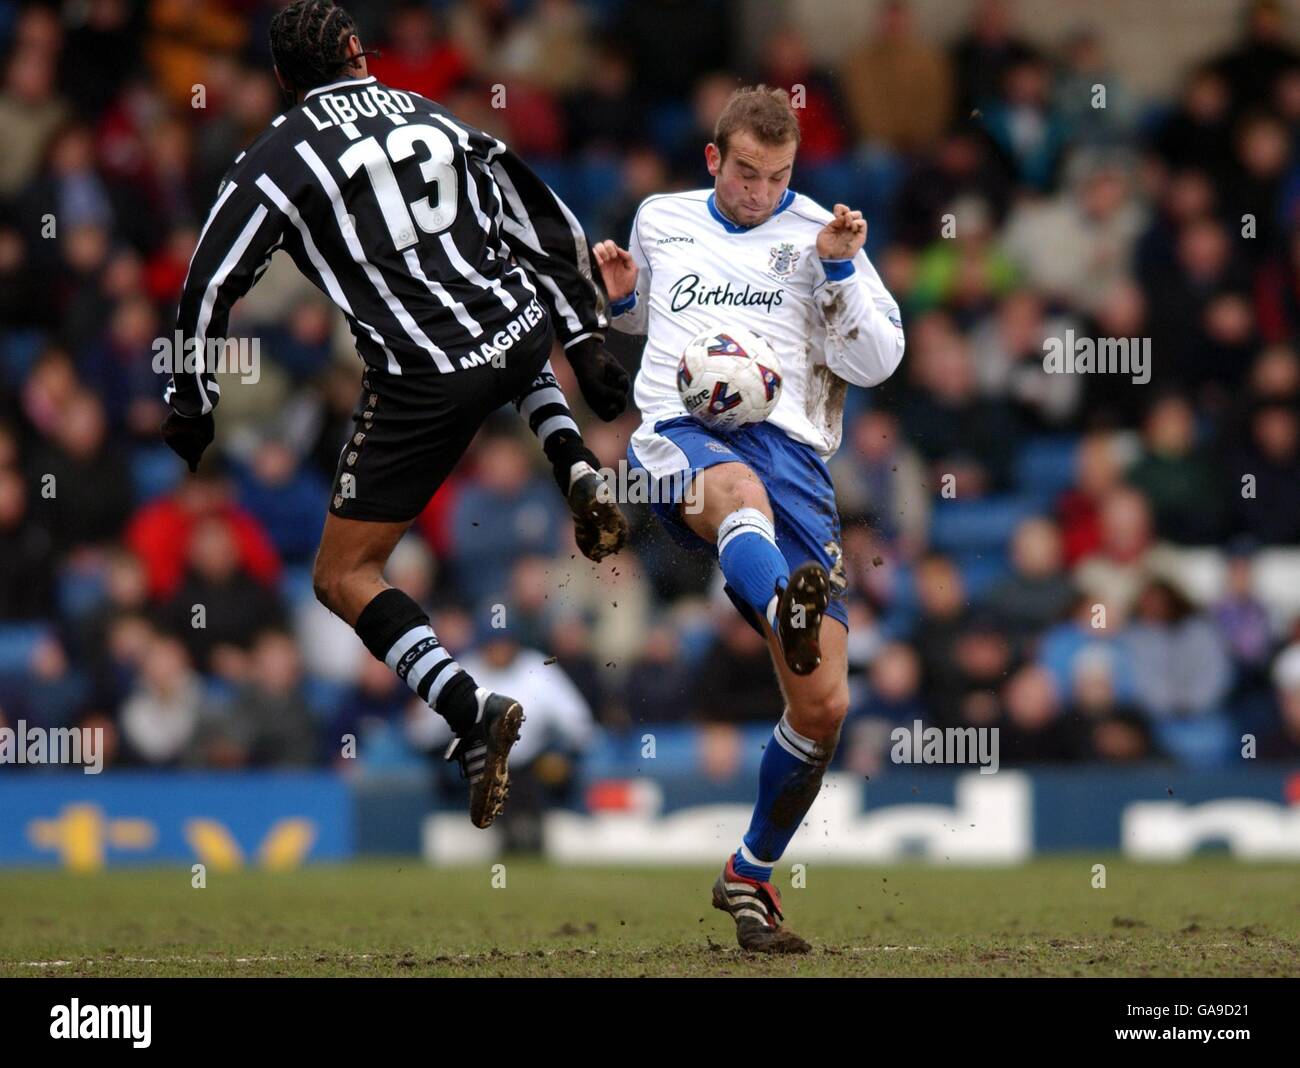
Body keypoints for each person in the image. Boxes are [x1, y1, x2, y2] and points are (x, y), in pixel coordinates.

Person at [157, 0, 630, 829]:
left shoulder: (273, 156)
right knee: (508, 343)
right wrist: (585, 333)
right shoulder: (430, 111)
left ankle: (468, 710)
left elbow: (208, 283)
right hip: (518, 328)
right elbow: (532, 202)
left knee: (341, 576)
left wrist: (192, 401)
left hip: (423, 376)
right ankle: (574, 460)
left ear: (281, 77)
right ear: (352, 49)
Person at [592, 85, 905, 952]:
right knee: (735, 498)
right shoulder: (661, 217)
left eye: (777, 176)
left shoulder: (821, 232)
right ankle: (781, 607)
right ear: (713, 160)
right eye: (746, 173)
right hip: (680, 432)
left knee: (824, 702)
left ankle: (750, 873)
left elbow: (880, 360)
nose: (761, 192)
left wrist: (839, 268)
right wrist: (619, 304)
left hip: (796, 454)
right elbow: (643, 325)